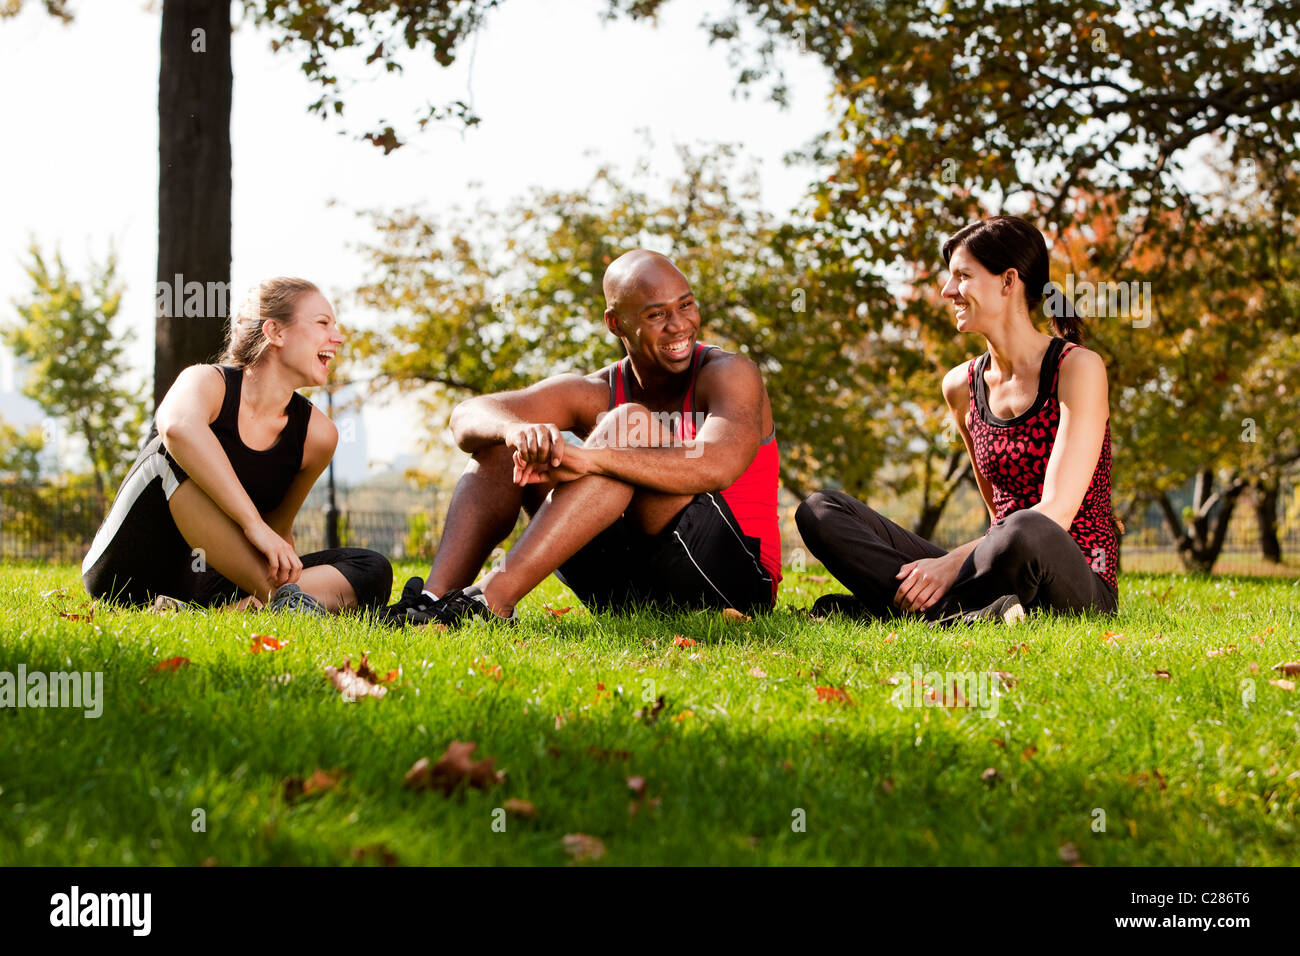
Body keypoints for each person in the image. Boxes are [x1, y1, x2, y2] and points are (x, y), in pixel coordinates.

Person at [381, 249, 781, 627]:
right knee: (504, 443)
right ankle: (431, 604)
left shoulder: (729, 372)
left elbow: (718, 465)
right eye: (657, 314)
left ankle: (491, 601)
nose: (678, 325)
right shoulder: (595, 388)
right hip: (630, 589)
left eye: (686, 305)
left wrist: (593, 458)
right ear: (616, 323)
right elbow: (466, 416)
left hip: (735, 583)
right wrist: (516, 431)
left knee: (628, 425)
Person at [797, 216, 1117, 624]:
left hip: (1073, 578)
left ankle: (893, 611)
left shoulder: (1077, 368)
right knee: (820, 510)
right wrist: (951, 562)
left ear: (1008, 281)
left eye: (962, 276)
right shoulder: (960, 386)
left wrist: (951, 564)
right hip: (992, 571)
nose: (948, 291)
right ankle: (969, 615)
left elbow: (1056, 513)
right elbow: (993, 513)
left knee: (1024, 530)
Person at [82, 277, 392, 613]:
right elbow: (176, 427)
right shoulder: (205, 381)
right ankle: (281, 601)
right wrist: (252, 524)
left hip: (216, 582)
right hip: (130, 572)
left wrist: (275, 550)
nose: (338, 336)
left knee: (371, 568)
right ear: (275, 332)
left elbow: (278, 528)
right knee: (169, 454)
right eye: (322, 323)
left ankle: (240, 608)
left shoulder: (318, 435)